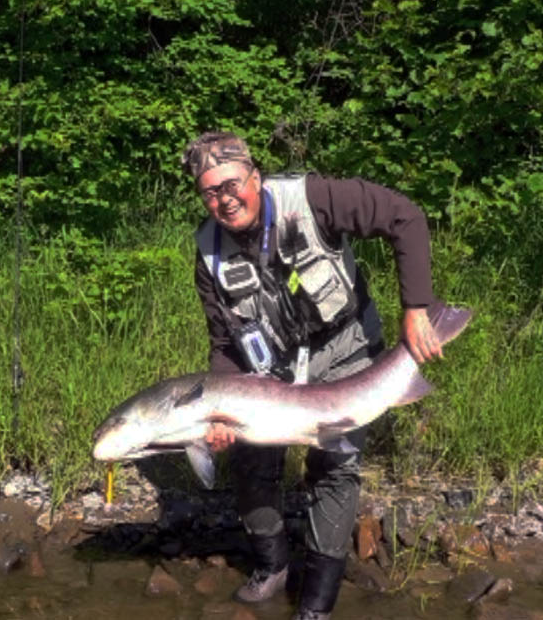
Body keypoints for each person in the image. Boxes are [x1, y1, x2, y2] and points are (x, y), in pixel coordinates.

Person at [182, 131, 442, 620]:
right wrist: (219, 411)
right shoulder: (208, 253)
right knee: (250, 457)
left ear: (255, 177)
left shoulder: (315, 198)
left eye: (232, 184)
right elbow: (224, 344)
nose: (224, 199)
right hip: (272, 366)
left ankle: (317, 604)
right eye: (210, 192)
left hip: (345, 347)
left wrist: (417, 307)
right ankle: (272, 565)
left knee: (334, 465)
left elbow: (405, 216)